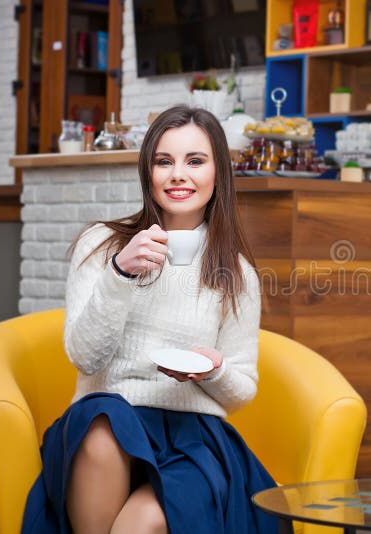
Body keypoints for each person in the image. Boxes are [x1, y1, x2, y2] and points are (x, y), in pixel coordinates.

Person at [21, 105, 278, 534]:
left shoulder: (237, 274)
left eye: (194, 161)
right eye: (164, 161)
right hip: (109, 419)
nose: (178, 175)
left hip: (193, 437)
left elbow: (241, 392)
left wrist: (213, 370)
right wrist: (120, 273)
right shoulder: (103, 245)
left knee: (142, 523)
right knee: (102, 424)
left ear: (218, 172)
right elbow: (85, 358)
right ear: (148, 172)